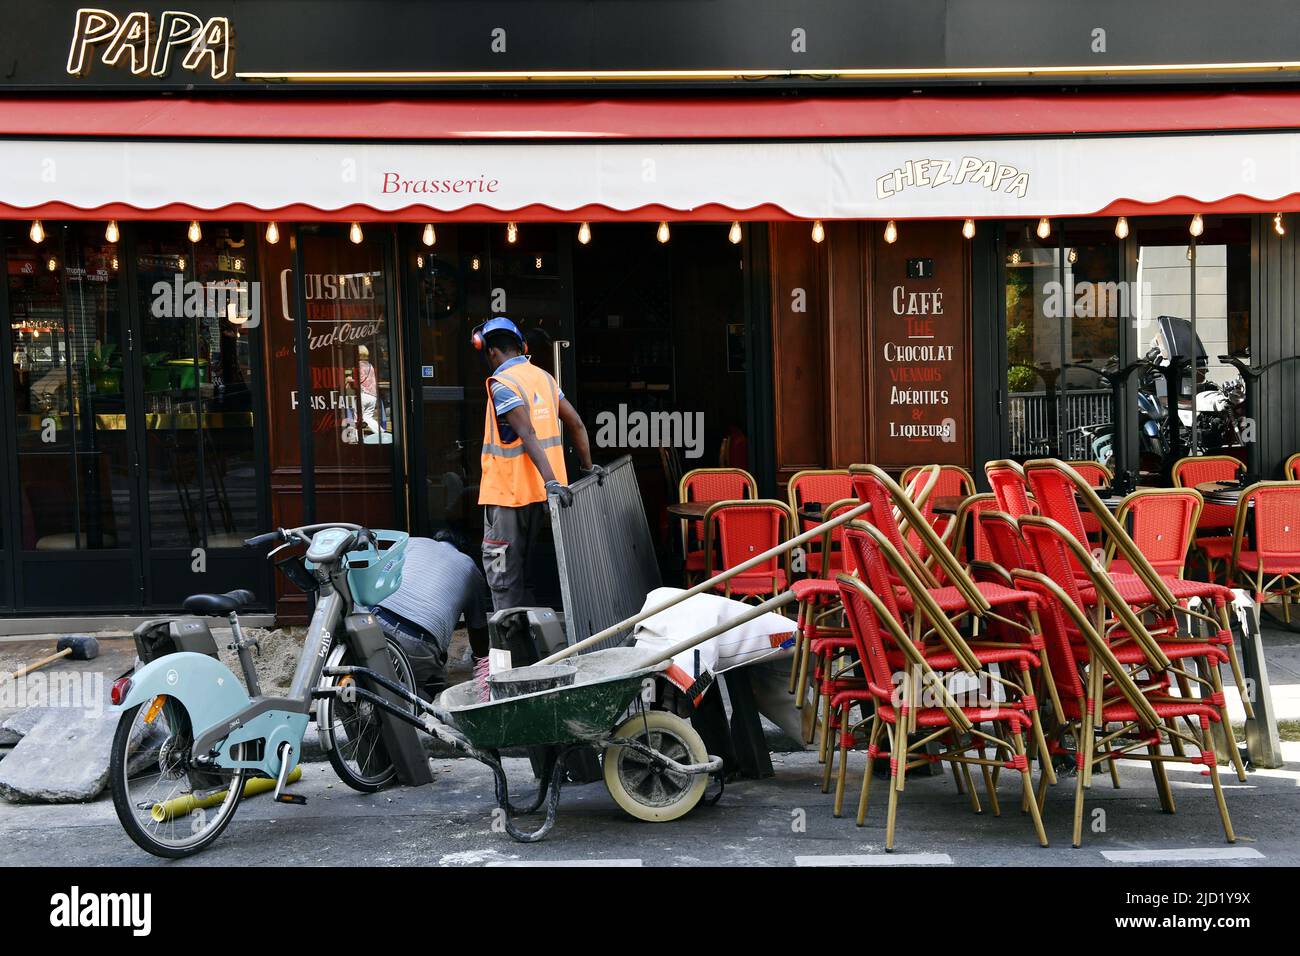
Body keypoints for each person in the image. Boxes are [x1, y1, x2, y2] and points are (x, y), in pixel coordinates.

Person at [474, 316, 603, 610]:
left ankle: (508, 655)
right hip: (541, 497)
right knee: (525, 575)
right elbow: (577, 424)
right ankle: (530, 645)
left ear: (492, 351)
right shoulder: (545, 378)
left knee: (504, 576)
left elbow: (527, 432)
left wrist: (551, 481)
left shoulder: (502, 383)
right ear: (522, 347)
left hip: (509, 496)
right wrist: (586, 467)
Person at [370, 531, 491, 699]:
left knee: (369, 672)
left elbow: (378, 577)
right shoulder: (470, 567)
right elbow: (478, 630)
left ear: (436, 540)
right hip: (420, 642)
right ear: (463, 551)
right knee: (429, 691)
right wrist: (482, 661)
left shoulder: (412, 542)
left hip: (375, 622)